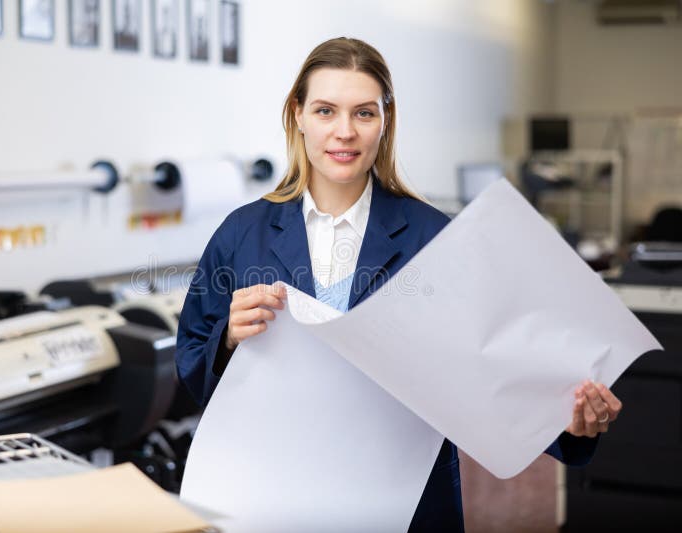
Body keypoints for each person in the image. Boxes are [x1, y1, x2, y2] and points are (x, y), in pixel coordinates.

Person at [176, 37, 622, 532]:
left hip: (407, 504)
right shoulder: (243, 233)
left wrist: (571, 420)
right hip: (273, 497)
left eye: (363, 113)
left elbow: (498, 365)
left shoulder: (436, 237)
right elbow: (193, 356)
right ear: (297, 115)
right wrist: (229, 340)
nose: (344, 132)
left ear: (385, 121)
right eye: (326, 111)